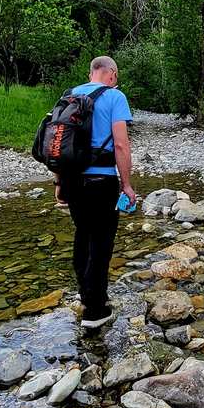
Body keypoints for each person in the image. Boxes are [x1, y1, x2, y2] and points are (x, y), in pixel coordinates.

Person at [54, 56, 135, 329]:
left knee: (83, 234)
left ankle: (86, 292)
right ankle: (95, 311)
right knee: (102, 242)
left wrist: (59, 183)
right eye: (116, 75)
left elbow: (58, 146)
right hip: (102, 181)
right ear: (111, 73)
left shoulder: (69, 95)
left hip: (73, 180)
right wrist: (127, 185)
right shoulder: (115, 97)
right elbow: (121, 146)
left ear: (91, 73)